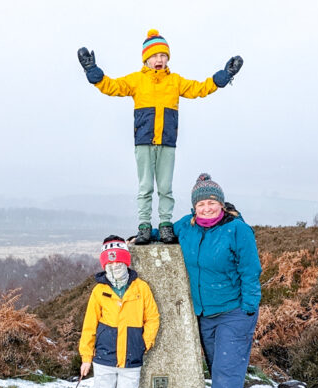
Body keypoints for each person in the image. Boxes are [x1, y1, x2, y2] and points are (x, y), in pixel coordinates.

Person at [77, 29, 243, 245]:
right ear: (146, 59)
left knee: (165, 187)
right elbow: (112, 87)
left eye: (163, 56)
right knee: (145, 186)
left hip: (167, 141)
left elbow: (199, 89)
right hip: (144, 141)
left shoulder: (174, 81)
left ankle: (165, 225)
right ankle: (144, 226)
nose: (159, 59)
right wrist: (92, 71)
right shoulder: (136, 80)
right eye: (155, 56)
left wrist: (224, 76)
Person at [173, 173, 261, 388]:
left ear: (221, 204)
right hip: (205, 314)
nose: (207, 208)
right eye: (201, 204)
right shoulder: (187, 228)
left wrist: (249, 308)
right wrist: (140, 236)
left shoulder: (237, 230)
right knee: (223, 369)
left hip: (235, 312)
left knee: (225, 371)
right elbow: (165, 232)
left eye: (212, 202)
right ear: (193, 207)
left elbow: (251, 271)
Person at [79, 235, 160, 388]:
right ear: (105, 266)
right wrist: (86, 356)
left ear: (127, 263)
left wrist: (143, 343)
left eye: (119, 264)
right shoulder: (99, 291)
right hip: (103, 359)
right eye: (110, 265)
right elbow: (89, 325)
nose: (115, 269)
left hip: (131, 360)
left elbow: (153, 318)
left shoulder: (141, 288)